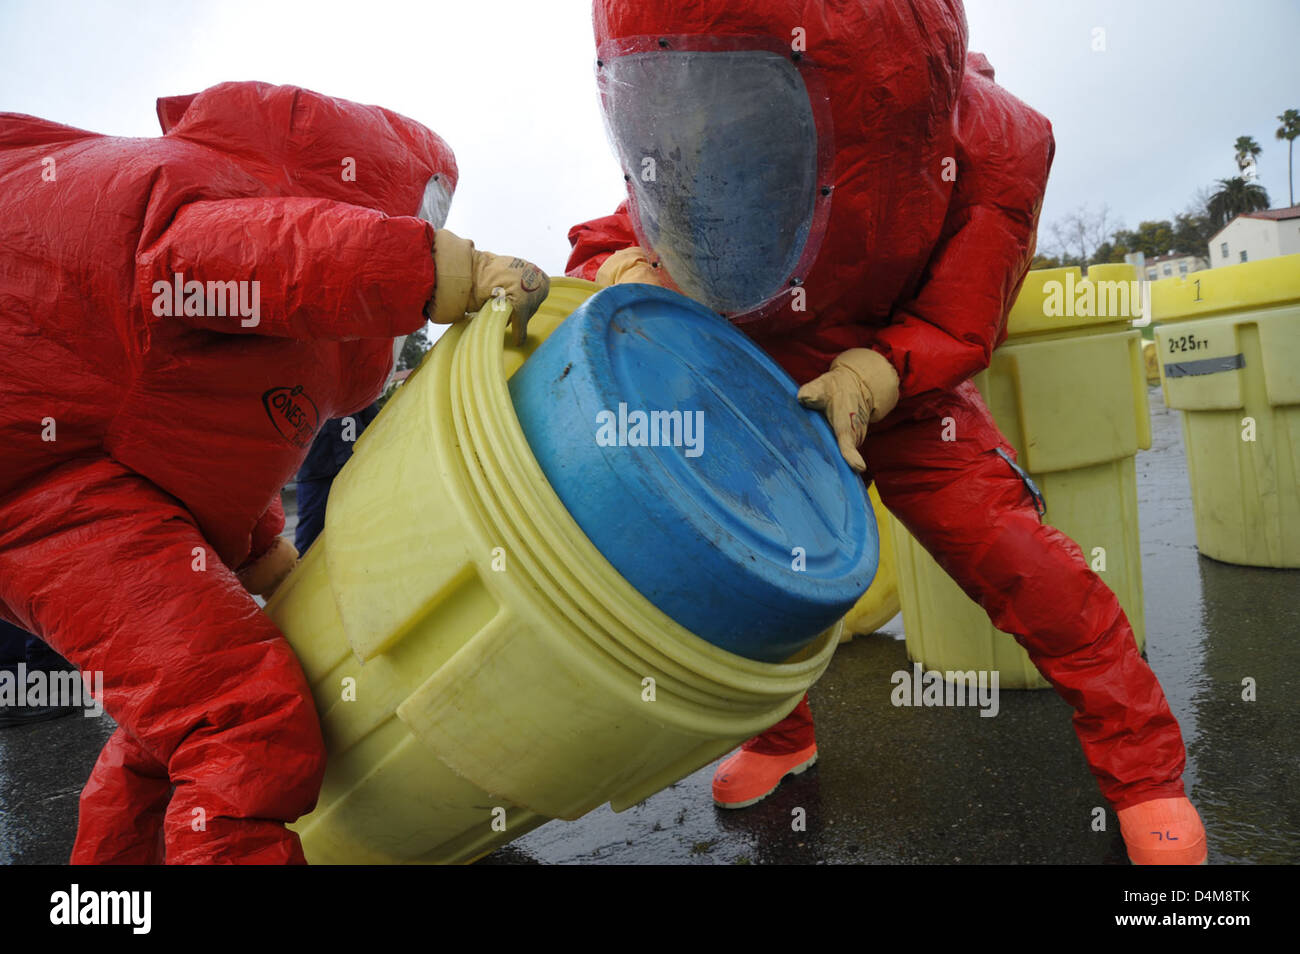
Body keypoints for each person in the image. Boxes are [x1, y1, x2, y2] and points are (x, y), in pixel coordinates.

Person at [566, 0, 1206, 864]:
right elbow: (645, 210)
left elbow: (967, 302)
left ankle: (1146, 776)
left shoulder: (998, 140)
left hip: (898, 381)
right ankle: (783, 735)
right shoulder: (721, 104)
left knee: (1026, 565)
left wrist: (876, 376)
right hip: (760, 376)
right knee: (745, 574)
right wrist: (609, 263)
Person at [0, 81, 548, 864]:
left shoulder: (230, 332)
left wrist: (263, 552)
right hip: (53, 496)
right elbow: (272, 253)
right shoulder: (204, 205)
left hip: (74, 485)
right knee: (243, 720)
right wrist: (444, 273)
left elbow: (197, 446)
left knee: (176, 721)